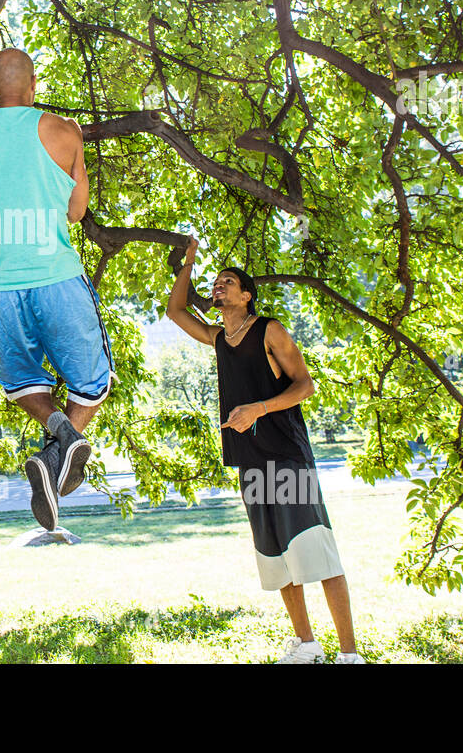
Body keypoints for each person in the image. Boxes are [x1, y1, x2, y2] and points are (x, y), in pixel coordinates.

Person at [165, 238, 365, 663]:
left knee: (316, 553)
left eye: (228, 282)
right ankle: (307, 645)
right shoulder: (220, 338)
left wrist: (259, 407)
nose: (218, 286)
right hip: (250, 462)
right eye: (216, 282)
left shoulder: (269, 330)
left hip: (287, 458)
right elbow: (175, 311)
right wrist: (188, 264)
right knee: (276, 557)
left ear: (247, 295)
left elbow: (305, 385)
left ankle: (349, 655)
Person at [0, 48, 114, 532]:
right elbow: (76, 212)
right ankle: (59, 451)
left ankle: (55, 440)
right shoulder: (63, 131)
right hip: (57, 276)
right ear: (34, 84)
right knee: (92, 382)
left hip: (2, 283)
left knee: (19, 380)